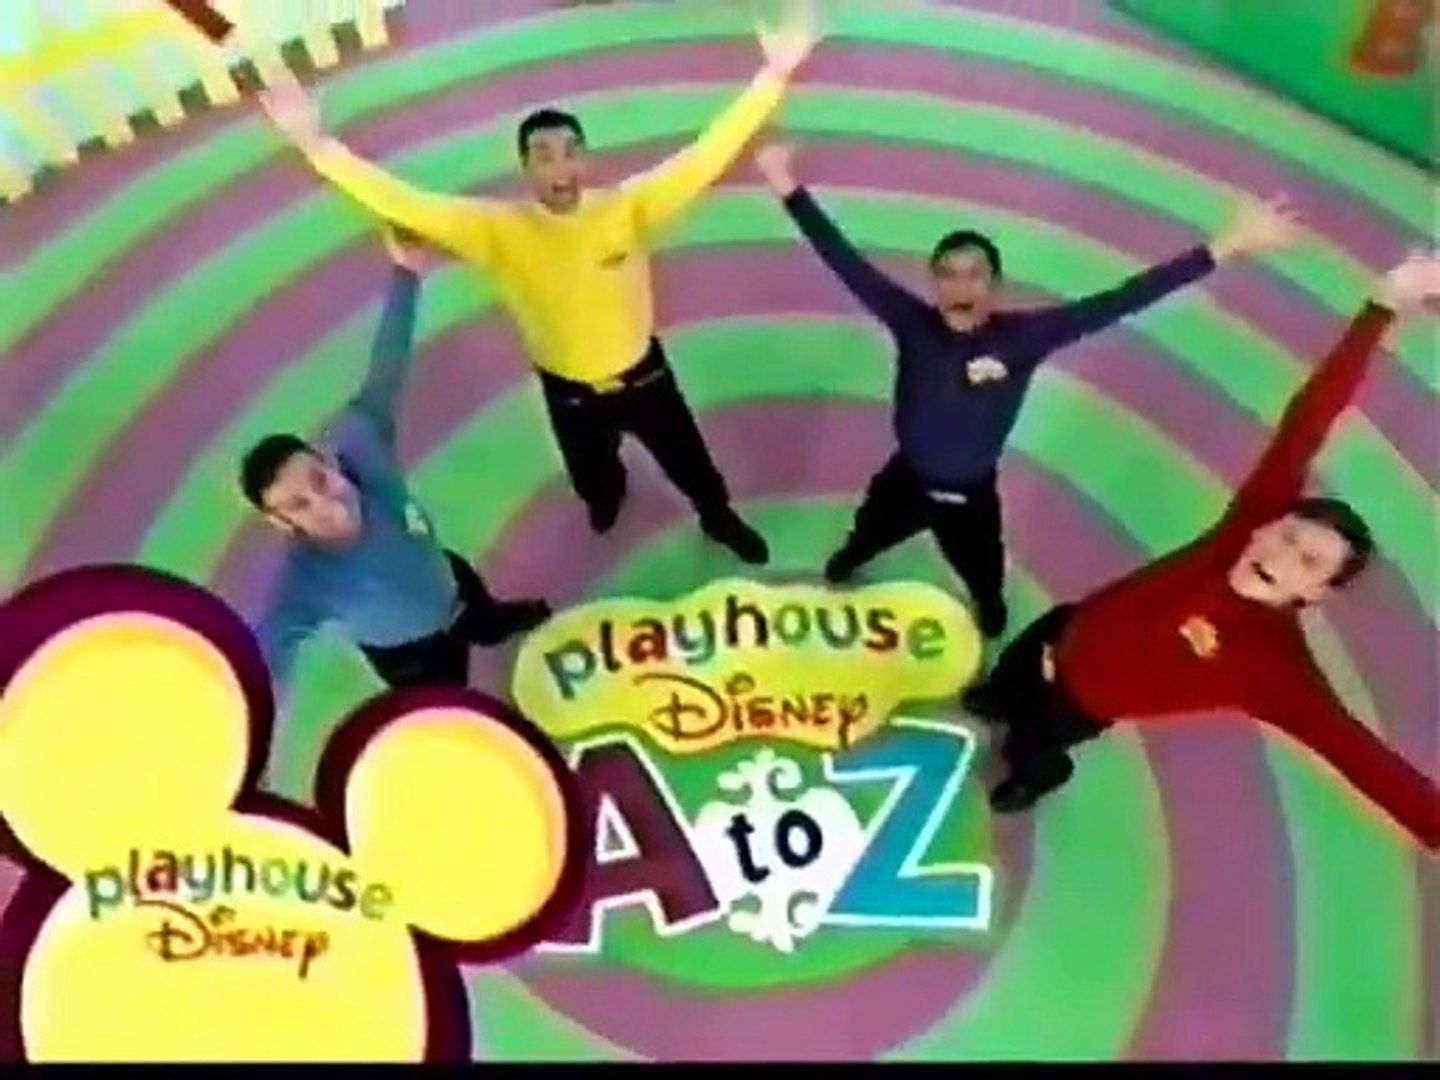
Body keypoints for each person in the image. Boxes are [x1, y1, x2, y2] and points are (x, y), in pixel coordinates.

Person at [257, 1, 825, 567]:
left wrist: (775, 74)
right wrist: (316, 146)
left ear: (585, 162)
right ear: (526, 168)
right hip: (568, 393)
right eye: (544, 155)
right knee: (593, 477)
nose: (560, 167)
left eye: (571, 152)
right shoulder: (496, 230)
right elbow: (404, 202)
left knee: (692, 465)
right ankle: (606, 499)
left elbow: (707, 154)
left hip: (647, 377)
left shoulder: (628, 207)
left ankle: (719, 518)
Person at [963, 252, 1440, 851]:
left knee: (1034, 744)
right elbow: (1309, 420)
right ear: (1264, 528)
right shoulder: (1246, 528)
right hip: (1061, 629)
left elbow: (1373, 768)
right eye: (1288, 535)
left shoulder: (1278, 675)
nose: (1283, 554)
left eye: (1309, 563)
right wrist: (1382, 306)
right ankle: (999, 696)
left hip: (1078, 707)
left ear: (1315, 594)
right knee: (1004, 686)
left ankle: (1036, 774)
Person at [753, 141, 1300, 637]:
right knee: (866, 534)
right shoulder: (910, 321)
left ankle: (989, 606)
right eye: (948, 274)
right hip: (907, 478)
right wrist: (784, 183)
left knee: (983, 572)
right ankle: (850, 560)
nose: (960, 284)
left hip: (971, 495)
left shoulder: (1026, 337)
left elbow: (1124, 298)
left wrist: (1227, 244)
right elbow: (845, 261)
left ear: (994, 285)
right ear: (934, 283)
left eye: (973, 274)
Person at [245, 230, 551, 692]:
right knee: (449, 706)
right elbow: (268, 658)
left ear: (328, 459)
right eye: (298, 505)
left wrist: (407, 274)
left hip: (450, 579)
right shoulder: (304, 584)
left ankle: (493, 624)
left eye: (319, 480)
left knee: (482, 612)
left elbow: (388, 362)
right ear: (281, 522)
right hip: (411, 656)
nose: (326, 503)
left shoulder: (360, 441)